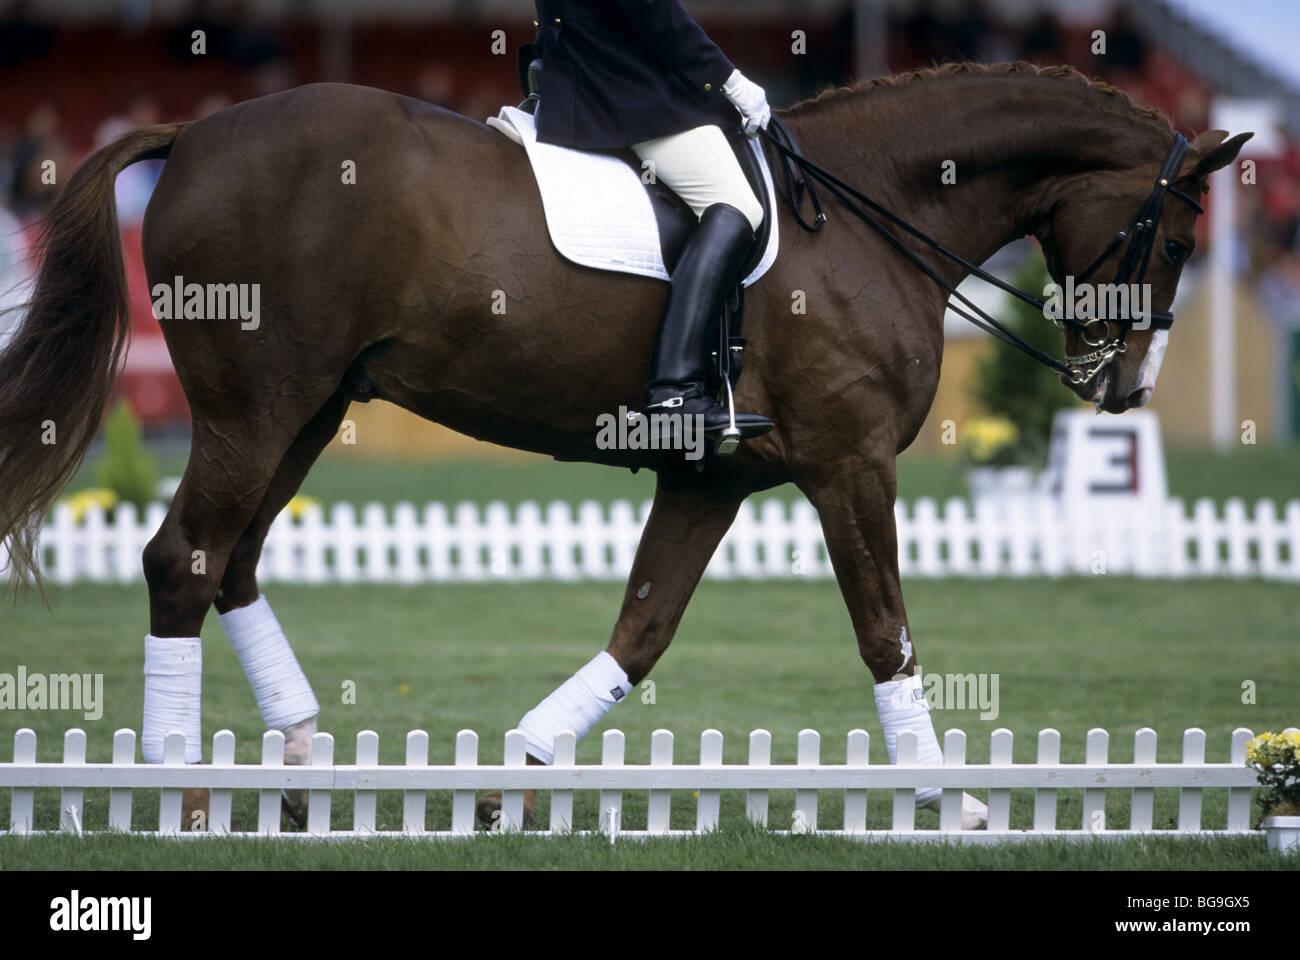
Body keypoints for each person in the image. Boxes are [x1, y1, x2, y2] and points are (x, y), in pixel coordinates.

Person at [525, 0, 774, 448]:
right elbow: (653, 10)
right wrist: (727, 80)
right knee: (738, 204)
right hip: (622, 91)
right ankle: (674, 391)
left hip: (573, 81)